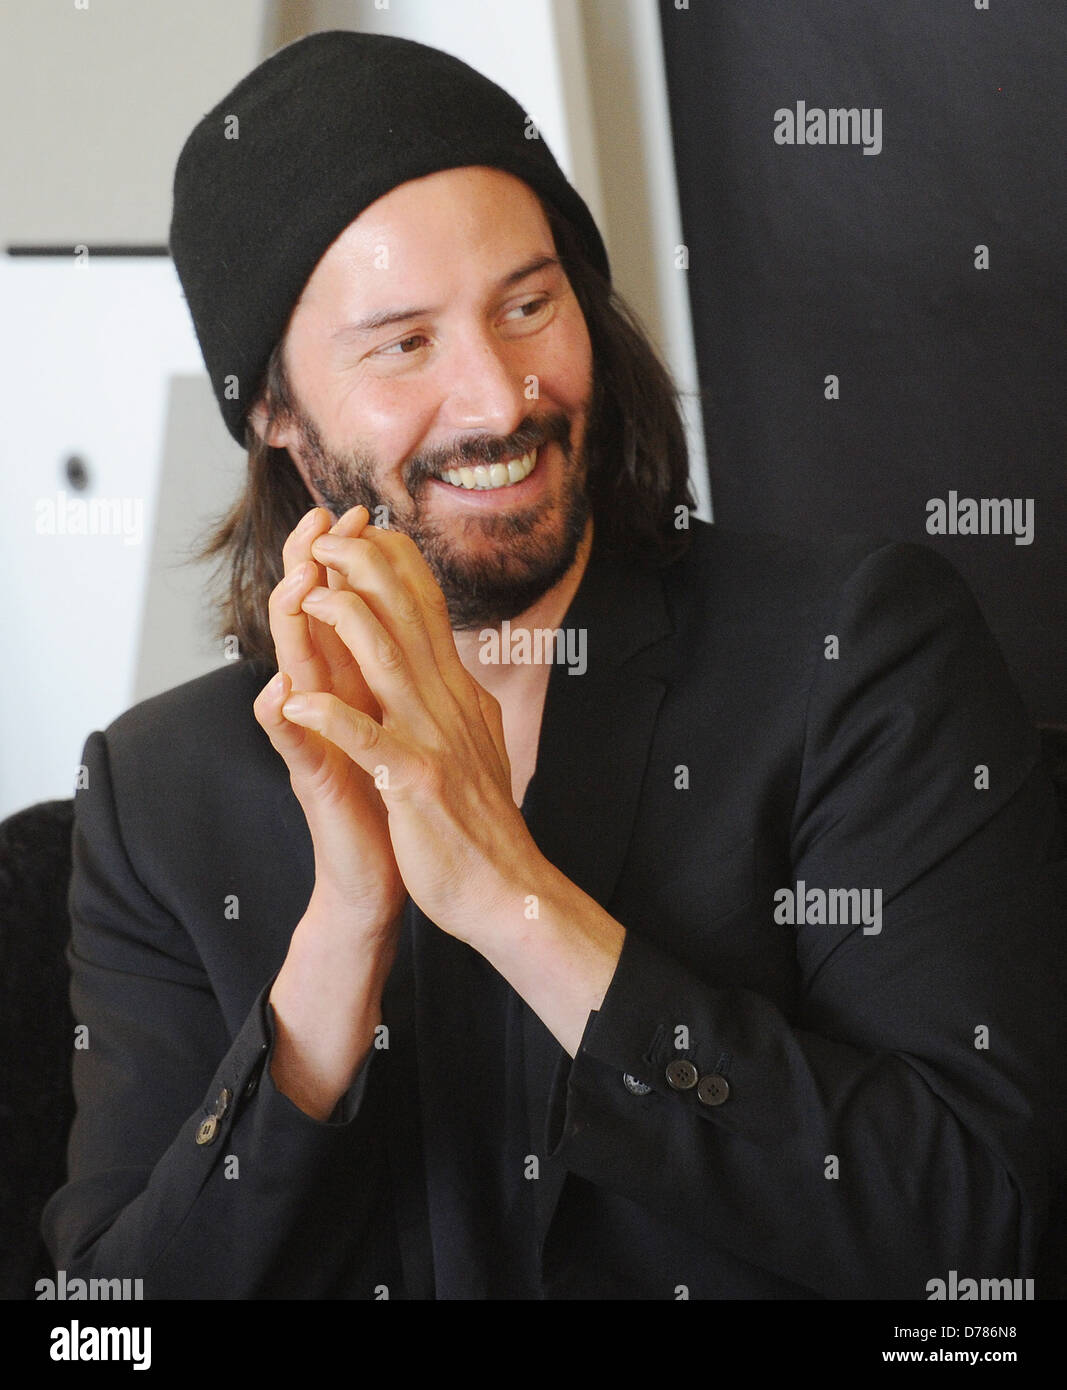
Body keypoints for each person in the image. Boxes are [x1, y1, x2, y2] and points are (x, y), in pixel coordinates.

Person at [42, 30, 1065, 1300]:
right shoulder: (154, 793)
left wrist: (512, 898)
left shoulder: (850, 650)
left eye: (527, 305)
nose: (495, 400)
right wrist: (345, 929)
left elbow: (979, 1243)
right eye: (402, 343)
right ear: (278, 419)